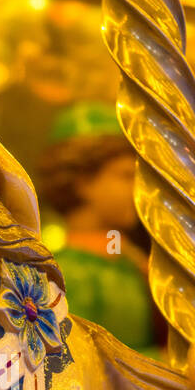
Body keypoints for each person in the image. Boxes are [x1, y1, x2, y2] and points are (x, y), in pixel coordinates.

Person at [36, 102, 167, 358]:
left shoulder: (131, 262)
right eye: (126, 176)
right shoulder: (65, 273)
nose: (138, 189)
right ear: (85, 183)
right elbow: (81, 359)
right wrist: (164, 359)